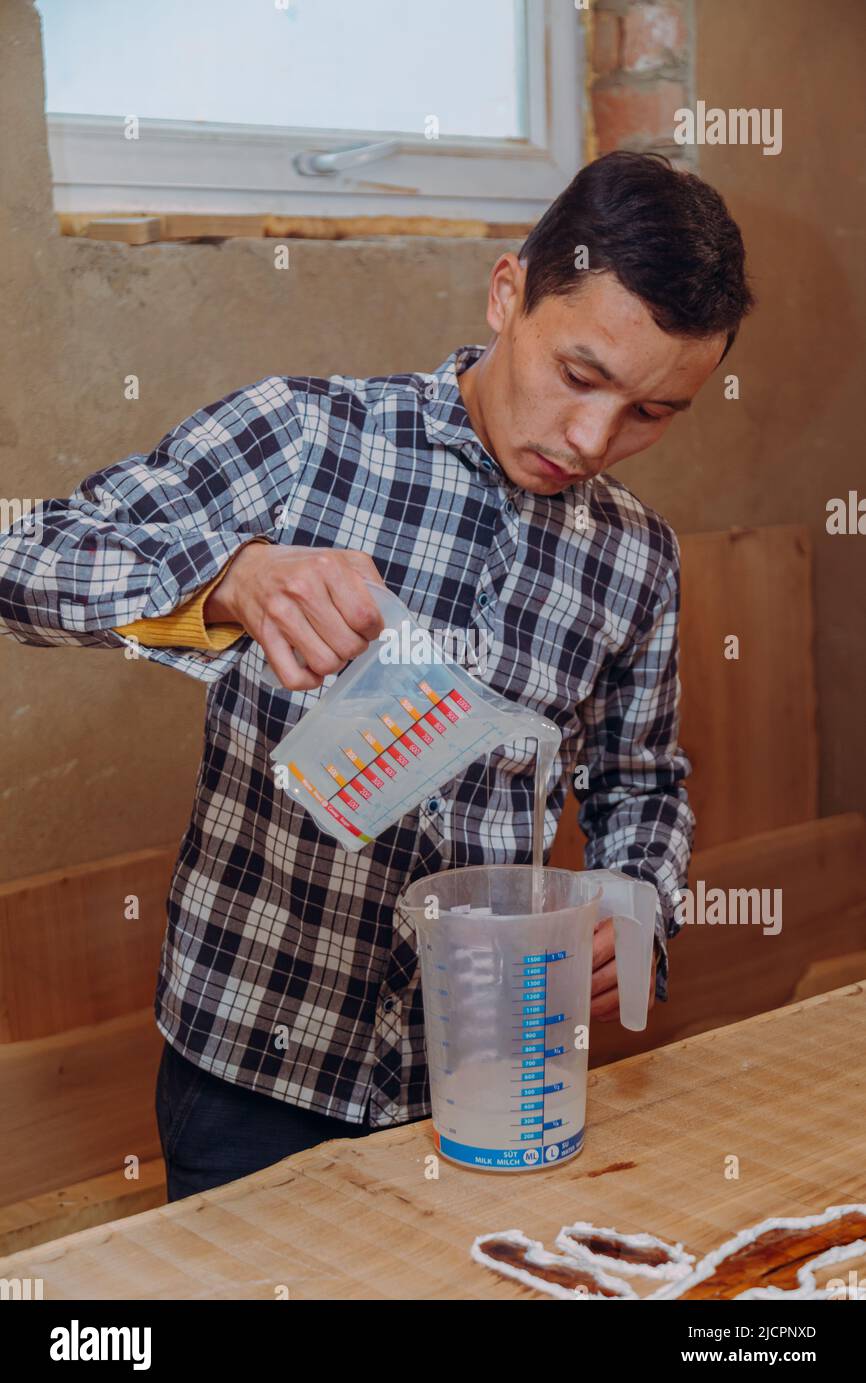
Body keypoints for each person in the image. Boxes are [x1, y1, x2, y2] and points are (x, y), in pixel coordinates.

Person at [0, 152, 753, 1199]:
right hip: (252, 1075)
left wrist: (633, 904)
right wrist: (226, 581)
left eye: (650, 411)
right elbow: (22, 557)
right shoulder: (305, 437)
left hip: (490, 1072)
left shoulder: (636, 556)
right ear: (507, 292)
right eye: (579, 376)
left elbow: (638, 780)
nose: (592, 438)